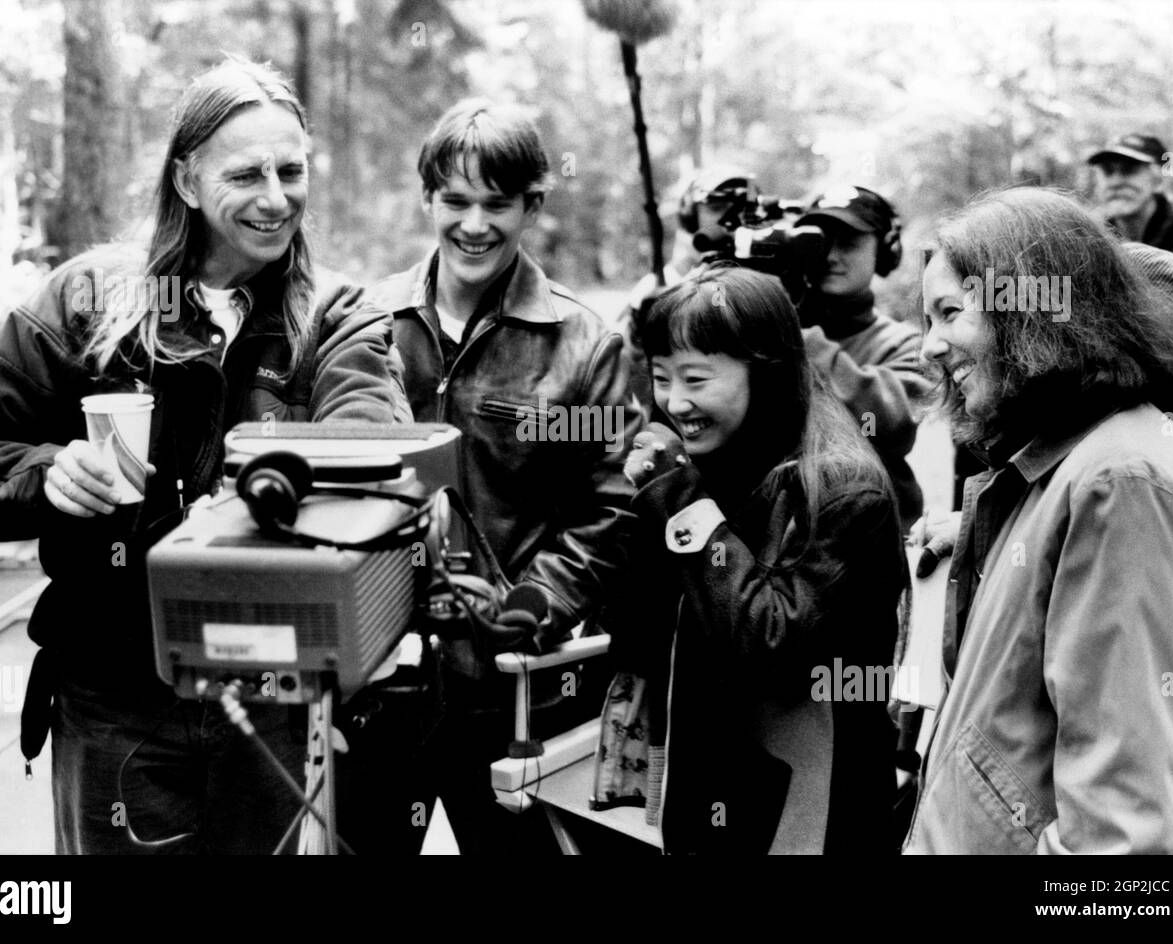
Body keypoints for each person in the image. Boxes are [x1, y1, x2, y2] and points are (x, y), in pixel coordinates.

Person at [0, 57, 410, 854]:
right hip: (115, 696)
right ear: (187, 180)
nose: (275, 197)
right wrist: (48, 474)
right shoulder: (84, 302)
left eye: (291, 171)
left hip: (277, 694)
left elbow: (371, 444)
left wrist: (290, 469)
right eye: (246, 174)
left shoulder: (337, 315)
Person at [337, 97, 641, 854]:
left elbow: (612, 505)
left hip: (510, 687)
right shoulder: (366, 323)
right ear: (427, 199)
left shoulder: (584, 344)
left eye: (498, 204)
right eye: (456, 200)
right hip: (375, 680)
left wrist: (540, 599)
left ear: (531, 204)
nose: (475, 224)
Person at [906, 187, 1173, 854]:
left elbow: (1124, 832)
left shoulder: (1118, 480)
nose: (928, 347)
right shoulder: (1059, 466)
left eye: (949, 313)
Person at [594, 266, 906, 854]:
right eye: (661, 378)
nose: (674, 402)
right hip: (713, 783)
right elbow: (637, 638)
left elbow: (771, 644)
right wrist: (646, 514)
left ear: (765, 372)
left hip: (809, 801)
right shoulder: (714, 459)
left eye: (696, 379)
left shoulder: (842, 489)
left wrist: (683, 505)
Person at [794, 185, 930, 532]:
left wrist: (799, 339)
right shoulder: (768, 324)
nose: (831, 256)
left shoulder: (903, 344)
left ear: (884, 252)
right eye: (821, 242)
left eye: (849, 243)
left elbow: (889, 426)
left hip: (867, 535)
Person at [615, 165, 753, 411]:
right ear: (691, 216)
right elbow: (618, 366)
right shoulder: (662, 283)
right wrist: (640, 331)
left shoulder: (767, 278)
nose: (731, 218)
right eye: (717, 207)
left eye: (742, 208)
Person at [1087, 132, 1173, 253]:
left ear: (1159, 181)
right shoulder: (1087, 243)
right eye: (1107, 171)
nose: (1115, 182)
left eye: (1129, 170)